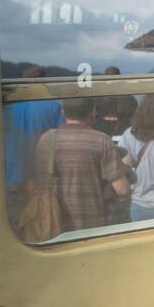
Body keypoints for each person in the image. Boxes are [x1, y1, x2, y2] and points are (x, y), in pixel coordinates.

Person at [30, 96, 129, 235]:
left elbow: (36, 180)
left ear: (63, 113)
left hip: (51, 222)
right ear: (92, 113)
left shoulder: (46, 139)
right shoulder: (101, 140)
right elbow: (122, 190)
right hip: (90, 225)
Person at [3, 64, 64, 226]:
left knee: (15, 225)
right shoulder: (54, 105)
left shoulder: (12, 105)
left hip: (13, 174)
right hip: (39, 177)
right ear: (44, 81)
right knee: (39, 225)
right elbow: (61, 137)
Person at [93, 65, 137, 138]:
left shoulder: (128, 98)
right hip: (101, 133)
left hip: (122, 134)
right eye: (108, 79)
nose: (110, 82)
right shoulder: (96, 97)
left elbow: (133, 119)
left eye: (112, 78)